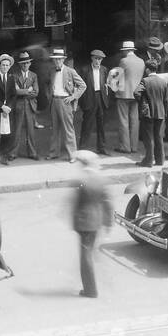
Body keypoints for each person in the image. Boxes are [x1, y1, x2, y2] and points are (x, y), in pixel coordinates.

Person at [71, 152, 113, 299]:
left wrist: (74, 222)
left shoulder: (81, 180)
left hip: (84, 222)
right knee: (88, 252)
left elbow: (75, 204)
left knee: (85, 256)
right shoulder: (101, 179)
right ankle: (90, 288)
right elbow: (107, 203)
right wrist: (108, 223)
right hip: (96, 221)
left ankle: (90, 290)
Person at [47, 46, 86, 161]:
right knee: (55, 129)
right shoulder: (52, 71)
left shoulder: (70, 71)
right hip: (54, 101)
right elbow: (49, 85)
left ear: (63, 59)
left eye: (59, 59)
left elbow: (83, 85)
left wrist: (73, 97)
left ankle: (73, 155)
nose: (57, 61)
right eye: (55, 59)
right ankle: (54, 153)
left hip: (65, 102)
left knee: (68, 129)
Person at [108, 40, 144, 155]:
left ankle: (125, 147)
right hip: (137, 94)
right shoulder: (141, 61)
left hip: (124, 94)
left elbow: (117, 76)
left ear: (127, 51)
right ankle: (134, 146)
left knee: (123, 120)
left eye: (123, 51)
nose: (122, 53)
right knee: (134, 120)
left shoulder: (123, 61)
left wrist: (111, 84)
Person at [77, 49, 110, 156]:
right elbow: (80, 87)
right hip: (90, 98)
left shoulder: (104, 70)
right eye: (96, 58)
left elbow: (107, 84)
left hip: (101, 97)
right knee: (87, 124)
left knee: (101, 125)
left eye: (100, 59)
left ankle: (101, 148)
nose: (97, 61)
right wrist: (82, 102)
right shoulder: (85, 70)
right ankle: (83, 148)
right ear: (92, 58)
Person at [10, 50, 39, 159]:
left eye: (27, 62)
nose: (25, 65)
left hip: (30, 106)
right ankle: (13, 153)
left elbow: (36, 92)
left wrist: (21, 91)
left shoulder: (34, 75)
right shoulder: (14, 75)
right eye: (23, 63)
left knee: (31, 131)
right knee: (16, 131)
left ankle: (32, 153)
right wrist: (27, 90)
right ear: (19, 64)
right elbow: (14, 91)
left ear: (30, 63)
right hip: (18, 106)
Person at [137, 65, 168, 165]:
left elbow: (136, 92)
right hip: (160, 112)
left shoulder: (145, 81)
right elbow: (166, 99)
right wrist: (165, 112)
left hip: (148, 113)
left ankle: (148, 160)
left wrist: (142, 102)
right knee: (159, 137)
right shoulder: (163, 81)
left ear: (147, 69)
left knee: (149, 137)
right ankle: (160, 160)